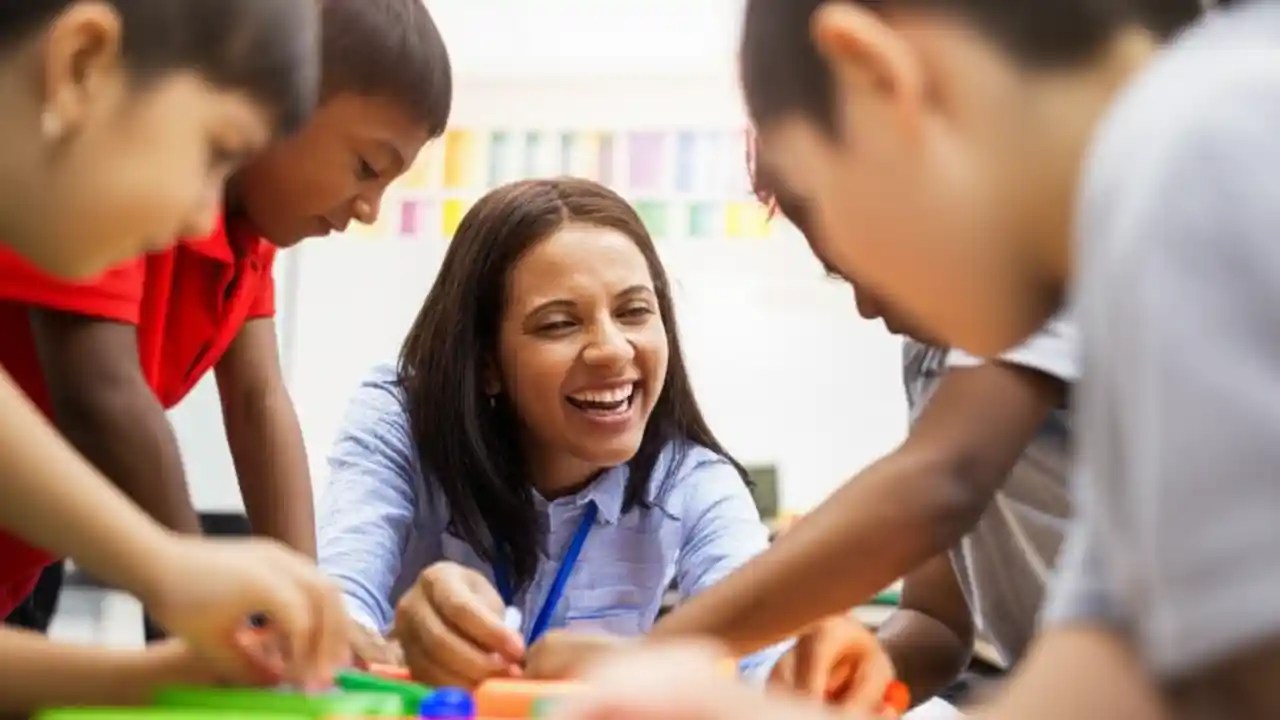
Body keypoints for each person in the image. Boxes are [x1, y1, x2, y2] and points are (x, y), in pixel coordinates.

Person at [564, 0, 1280, 719]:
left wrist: (659, 660)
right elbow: (1102, 676)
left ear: (876, 80)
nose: (873, 308)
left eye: (846, 253)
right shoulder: (1136, 264)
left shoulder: (1209, 139)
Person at [0, 0, 453, 644]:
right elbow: (100, 396)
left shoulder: (239, 234)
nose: (196, 218)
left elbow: (257, 399)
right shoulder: (111, 183)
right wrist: (199, 606)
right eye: (220, 149)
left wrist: (293, 604)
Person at [316, 178, 861, 691]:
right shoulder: (401, 420)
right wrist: (397, 643)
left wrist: (655, 670)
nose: (613, 350)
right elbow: (337, 617)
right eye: (558, 323)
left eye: (634, 312)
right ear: (486, 363)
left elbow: (769, 676)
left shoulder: (693, 483)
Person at [746, 149, 1077, 707]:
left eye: (874, 263)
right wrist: (866, 675)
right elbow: (937, 618)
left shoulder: (1056, 291)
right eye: (840, 274)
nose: (867, 306)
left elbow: (940, 482)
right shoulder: (926, 358)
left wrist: (672, 647)